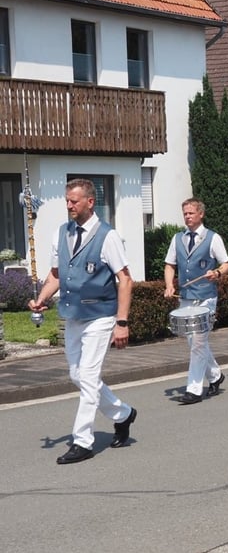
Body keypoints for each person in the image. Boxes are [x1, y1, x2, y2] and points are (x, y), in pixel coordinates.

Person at [28, 179, 138, 464]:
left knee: (88, 377)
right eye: (67, 200)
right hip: (72, 315)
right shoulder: (61, 233)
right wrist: (42, 298)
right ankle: (123, 414)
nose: (69, 206)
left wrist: (121, 322)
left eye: (74, 201)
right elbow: (56, 274)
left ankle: (83, 441)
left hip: (100, 317)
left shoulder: (107, 236)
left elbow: (125, 280)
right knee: (77, 376)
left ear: (90, 202)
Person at [164, 198, 228, 404]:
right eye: (185, 213)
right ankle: (215, 375)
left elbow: (226, 263)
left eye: (191, 213)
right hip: (186, 297)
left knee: (198, 343)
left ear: (201, 214)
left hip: (206, 298)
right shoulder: (178, 239)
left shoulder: (213, 238)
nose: (187, 217)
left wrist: (217, 273)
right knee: (194, 341)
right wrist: (169, 285)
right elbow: (169, 264)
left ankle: (193, 389)